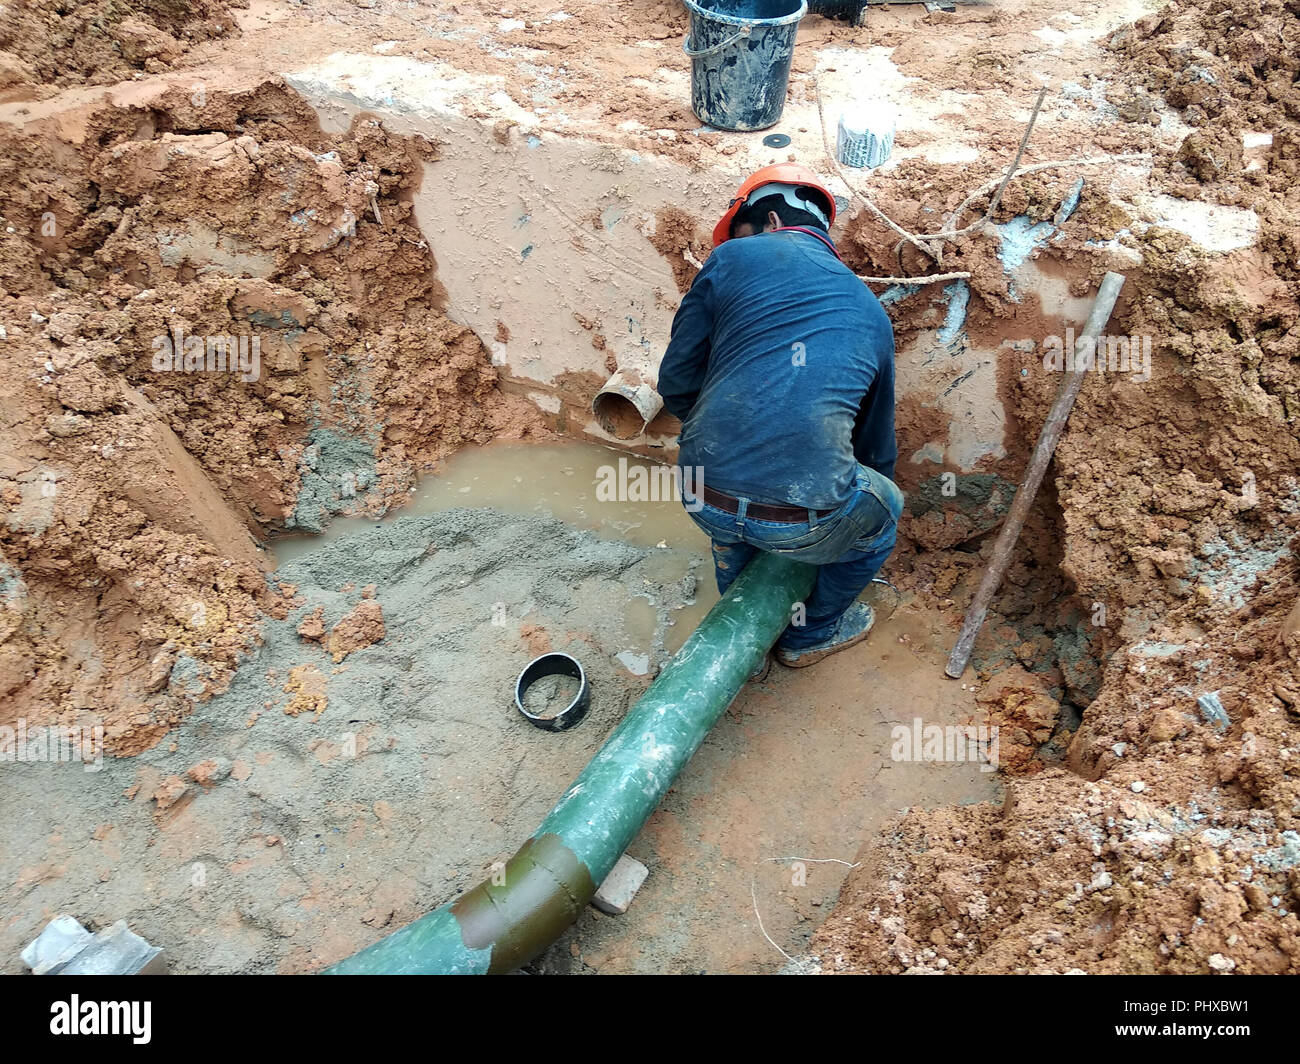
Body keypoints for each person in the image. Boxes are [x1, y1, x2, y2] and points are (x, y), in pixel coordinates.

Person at [656, 163, 903, 670]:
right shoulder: (871, 311)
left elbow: (677, 381)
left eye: (739, 232)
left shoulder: (729, 261)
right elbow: (876, 449)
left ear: (769, 221)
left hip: (701, 493)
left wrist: (724, 440)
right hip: (803, 521)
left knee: (726, 506)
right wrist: (835, 509)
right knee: (885, 514)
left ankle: (737, 591)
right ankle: (809, 633)